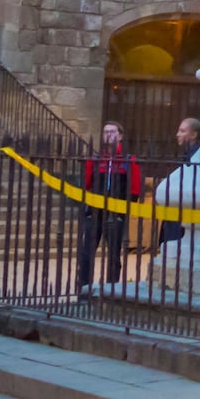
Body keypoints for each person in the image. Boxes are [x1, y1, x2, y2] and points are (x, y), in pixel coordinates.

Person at [78, 121, 143, 292]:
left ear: (120, 136)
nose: (109, 135)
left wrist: (124, 211)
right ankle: (83, 290)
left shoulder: (129, 160)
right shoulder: (96, 158)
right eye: (106, 132)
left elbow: (135, 188)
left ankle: (111, 291)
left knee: (114, 256)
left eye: (113, 132)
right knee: (86, 255)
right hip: (95, 212)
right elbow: (86, 184)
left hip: (116, 213)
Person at [159, 117, 200, 247]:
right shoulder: (188, 154)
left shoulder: (196, 155)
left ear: (193, 135)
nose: (177, 134)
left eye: (182, 131)